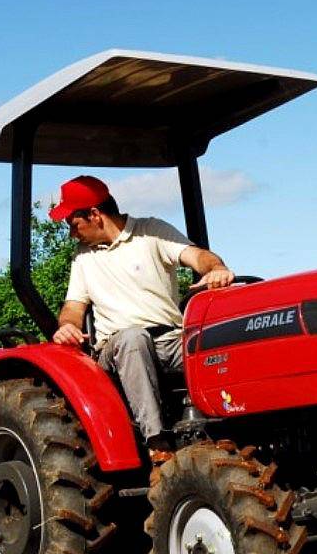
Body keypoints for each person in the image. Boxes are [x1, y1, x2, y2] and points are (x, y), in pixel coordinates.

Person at [48, 175, 234, 451]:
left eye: (73, 225)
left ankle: (241, 427)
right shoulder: (83, 256)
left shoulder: (151, 232)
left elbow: (197, 256)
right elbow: (73, 307)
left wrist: (216, 268)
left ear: (95, 215)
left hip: (170, 340)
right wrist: (67, 326)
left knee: (221, 343)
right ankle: (157, 444)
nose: (72, 234)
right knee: (133, 338)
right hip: (118, 348)